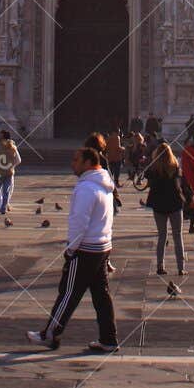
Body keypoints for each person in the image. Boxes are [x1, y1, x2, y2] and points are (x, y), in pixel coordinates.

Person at [27, 146, 118, 353]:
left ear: (88, 162)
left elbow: (79, 222)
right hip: (101, 247)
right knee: (101, 296)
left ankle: (49, 335)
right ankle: (109, 339)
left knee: (68, 293)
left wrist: (71, 249)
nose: (72, 164)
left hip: (85, 249)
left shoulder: (86, 187)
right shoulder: (104, 184)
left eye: (76, 160)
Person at [144, 141, 189, 276]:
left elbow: (147, 180)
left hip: (159, 205)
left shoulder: (153, 169)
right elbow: (180, 182)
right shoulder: (174, 167)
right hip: (174, 204)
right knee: (177, 236)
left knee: (162, 236)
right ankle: (181, 268)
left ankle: (160, 266)